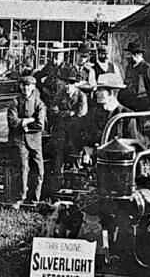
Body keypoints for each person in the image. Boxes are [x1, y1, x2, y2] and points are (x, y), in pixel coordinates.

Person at [78, 73, 140, 165]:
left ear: (111, 92)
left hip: (117, 165)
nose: (96, 92)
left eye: (100, 89)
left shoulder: (126, 116)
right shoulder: (94, 113)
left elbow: (131, 146)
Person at [7, 73, 49, 207]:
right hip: (19, 139)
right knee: (22, 167)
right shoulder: (15, 102)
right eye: (23, 85)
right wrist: (27, 120)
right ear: (20, 86)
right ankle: (20, 198)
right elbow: (12, 121)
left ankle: (35, 199)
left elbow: (40, 125)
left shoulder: (39, 103)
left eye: (28, 86)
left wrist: (24, 125)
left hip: (35, 141)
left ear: (33, 87)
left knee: (38, 168)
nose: (25, 88)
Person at [51, 65, 91, 181]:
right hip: (61, 130)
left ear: (77, 84)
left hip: (75, 131)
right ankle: (58, 180)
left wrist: (63, 113)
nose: (69, 85)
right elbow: (53, 110)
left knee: (74, 155)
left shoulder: (81, 96)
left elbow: (81, 114)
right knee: (59, 155)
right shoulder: (60, 94)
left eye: (72, 83)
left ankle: (75, 179)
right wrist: (68, 113)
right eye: (67, 82)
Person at [119, 41, 150, 111]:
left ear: (138, 55)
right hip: (130, 105)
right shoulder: (129, 68)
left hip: (143, 105)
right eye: (127, 54)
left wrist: (149, 106)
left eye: (130, 54)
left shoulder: (147, 68)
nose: (127, 57)